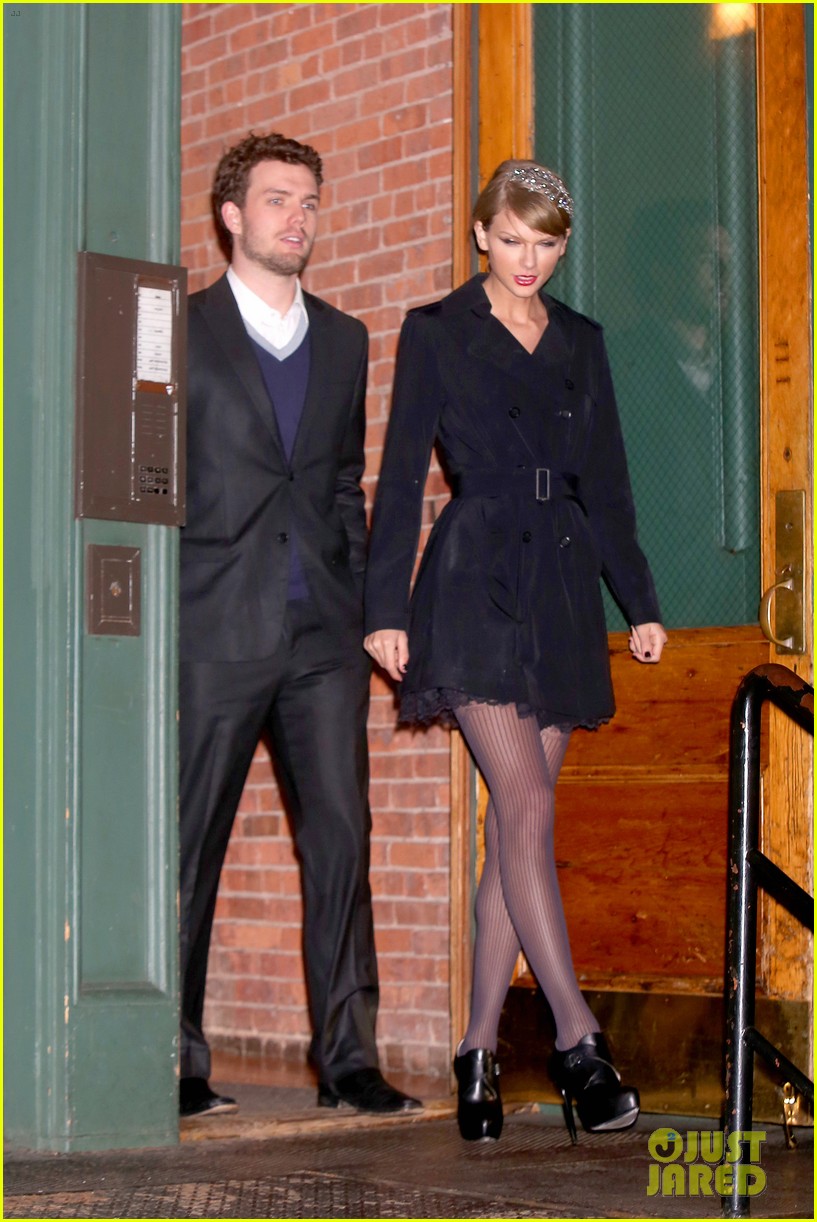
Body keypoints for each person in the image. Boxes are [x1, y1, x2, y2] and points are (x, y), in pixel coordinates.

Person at [364, 160, 666, 1144]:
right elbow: (403, 474)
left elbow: (609, 484)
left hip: (562, 591)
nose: (528, 259)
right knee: (525, 802)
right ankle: (577, 1041)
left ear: (559, 247)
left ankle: (478, 1050)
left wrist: (641, 600)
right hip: (474, 582)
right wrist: (383, 608)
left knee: (518, 832)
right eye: (514, 237)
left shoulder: (582, 342)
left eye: (547, 244)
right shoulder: (438, 331)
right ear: (481, 232)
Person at [179, 131, 421, 1119]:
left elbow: (337, 491)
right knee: (189, 844)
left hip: (321, 636)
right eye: (279, 200)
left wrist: (370, 612)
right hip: (211, 626)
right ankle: (176, 1058)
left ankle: (348, 1058)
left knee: (342, 837)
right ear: (231, 215)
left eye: (311, 202)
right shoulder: (177, 330)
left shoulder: (347, 338)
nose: (299, 219)